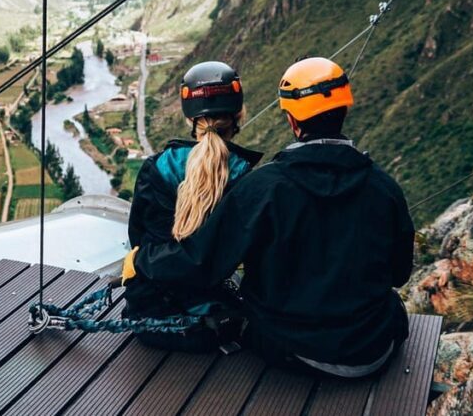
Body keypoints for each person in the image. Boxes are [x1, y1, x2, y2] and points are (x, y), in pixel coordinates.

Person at [123, 57, 414, 377]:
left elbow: (202, 261)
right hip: (374, 348)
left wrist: (141, 262)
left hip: (292, 350)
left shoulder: (262, 189)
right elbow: (399, 273)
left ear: (292, 120)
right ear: (345, 110)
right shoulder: (385, 188)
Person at [124, 61, 262, 352]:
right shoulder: (247, 182)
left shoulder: (155, 169)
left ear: (190, 121)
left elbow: (139, 238)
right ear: (239, 115)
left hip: (150, 318)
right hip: (214, 325)